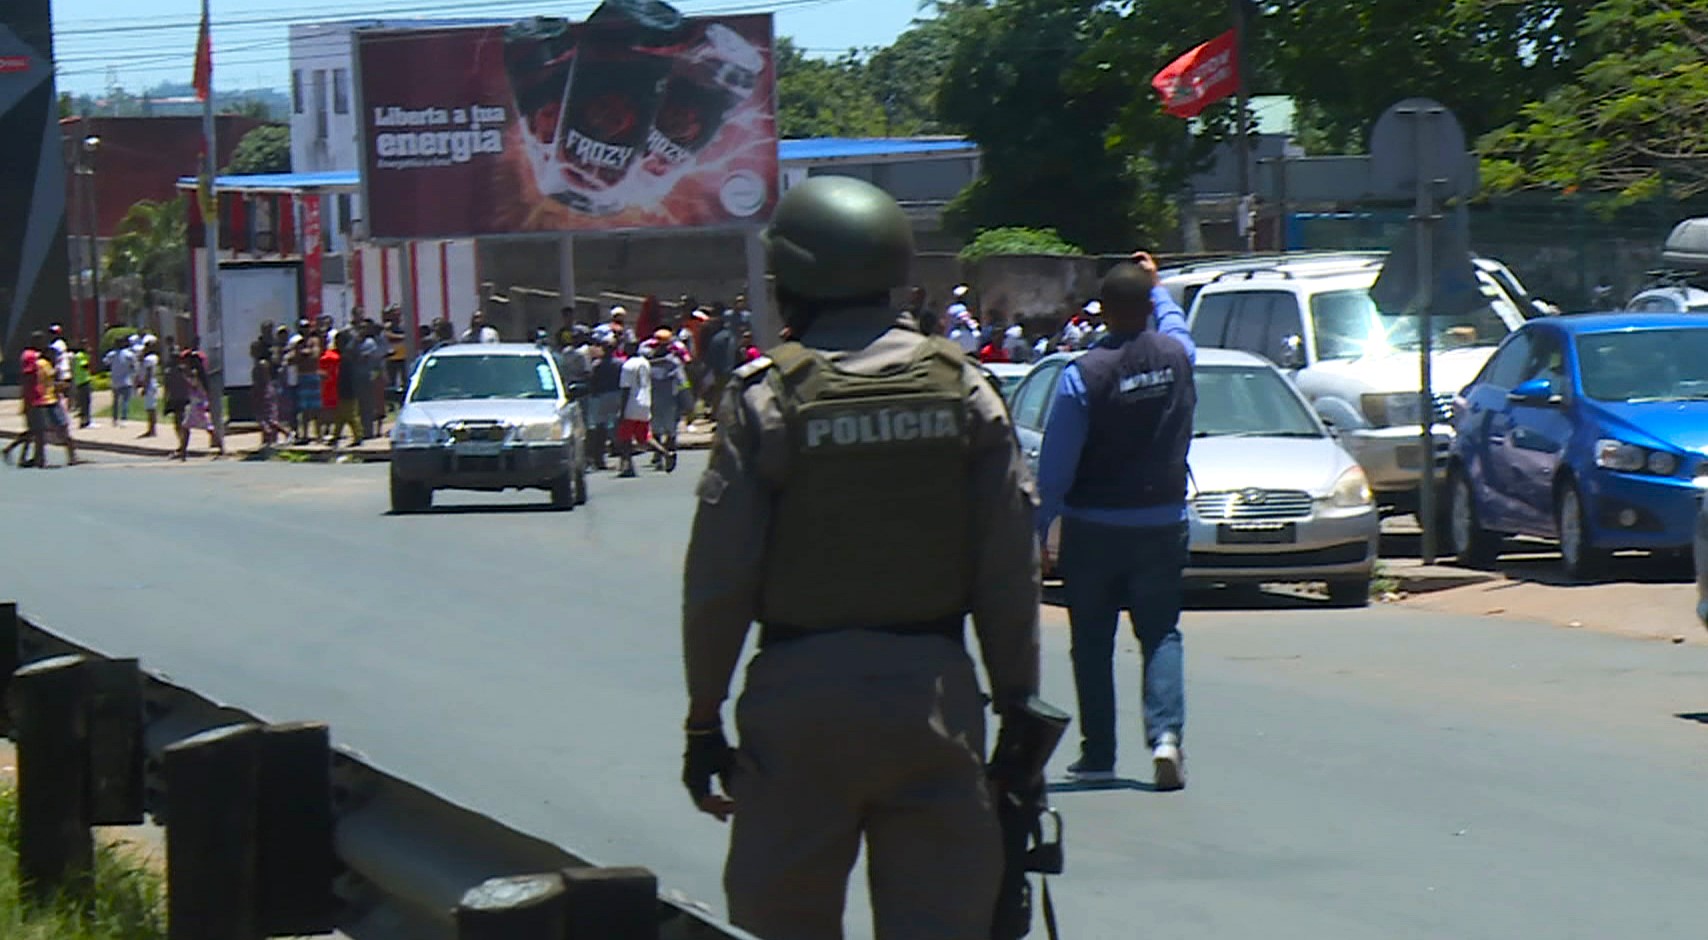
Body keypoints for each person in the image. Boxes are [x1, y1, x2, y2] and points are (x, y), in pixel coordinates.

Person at [680, 176, 1041, 940]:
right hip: (937, 701)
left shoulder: (766, 400)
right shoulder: (966, 392)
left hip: (798, 708)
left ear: (793, 283)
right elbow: (1009, 574)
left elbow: (720, 582)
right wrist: (1017, 706)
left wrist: (703, 720)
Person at [1035, 254, 1196, 789]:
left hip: (1095, 526)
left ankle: (1099, 752)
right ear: (1146, 307)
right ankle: (1166, 738)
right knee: (1161, 634)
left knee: (1093, 639)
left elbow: (1055, 468)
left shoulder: (1082, 375)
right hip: (1161, 520)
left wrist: (1040, 531)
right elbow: (1174, 326)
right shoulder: (1179, 356)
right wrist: (1160, 289)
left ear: (1102, 312)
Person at [615, 338, 667, 477]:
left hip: (632, 404)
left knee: (624, 438)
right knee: (644, 437)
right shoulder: (645, 363)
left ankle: (628, 467)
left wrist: (621, 410)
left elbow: (626, 389)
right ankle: (666, 453)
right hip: (645, 402)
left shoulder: (627, 366)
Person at [175, 341, 225, 459]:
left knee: (198, 426)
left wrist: (184, 374)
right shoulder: (194, 372)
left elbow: (194, 383)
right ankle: (183, 452)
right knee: (188, 426)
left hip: (198, 402)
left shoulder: (194, 373)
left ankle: (221, 447)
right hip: (196, 401)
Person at [646, 330, 686, 472]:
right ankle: (670, 453)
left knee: (655, 427)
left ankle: (658, 455)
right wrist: (686, 397)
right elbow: (683, 381)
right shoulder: (674, 363)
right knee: (671, 430)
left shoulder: (648, 362)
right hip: (670, 399)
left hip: (653, 398)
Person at [586, 339, 622, 471]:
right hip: (614, 396)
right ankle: (622, 458)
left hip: (600, 397)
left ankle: (598, 459)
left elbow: (592, 382)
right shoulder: (619, 364)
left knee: (600, 428)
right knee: (614, 429)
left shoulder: (597, 365)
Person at [105, 336, 138, 426]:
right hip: (126, 380)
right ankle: (124, 419)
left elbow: (105, 362)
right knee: (125, 401)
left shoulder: (111, 354)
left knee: (115, 401)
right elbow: (134, 366)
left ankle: (115, 419)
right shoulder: (129, 354)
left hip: (115, 381)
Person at [136, 337, 161, 438]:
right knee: (148, 408)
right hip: (148, 384)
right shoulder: (146, 359)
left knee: (151, 408)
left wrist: (145, 387)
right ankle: (150, 428)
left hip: (150, 384)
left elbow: (148, 374)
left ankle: (153, 430)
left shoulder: (151, 358)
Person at [71, 344, 93, 428]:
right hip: (84, 380)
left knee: (84, 403)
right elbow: (84, 366)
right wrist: (89, 357)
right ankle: (86, 421)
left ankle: (85, 421)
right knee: (86, 402)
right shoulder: (80, 356)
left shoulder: (77, 356)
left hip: (79, 381)